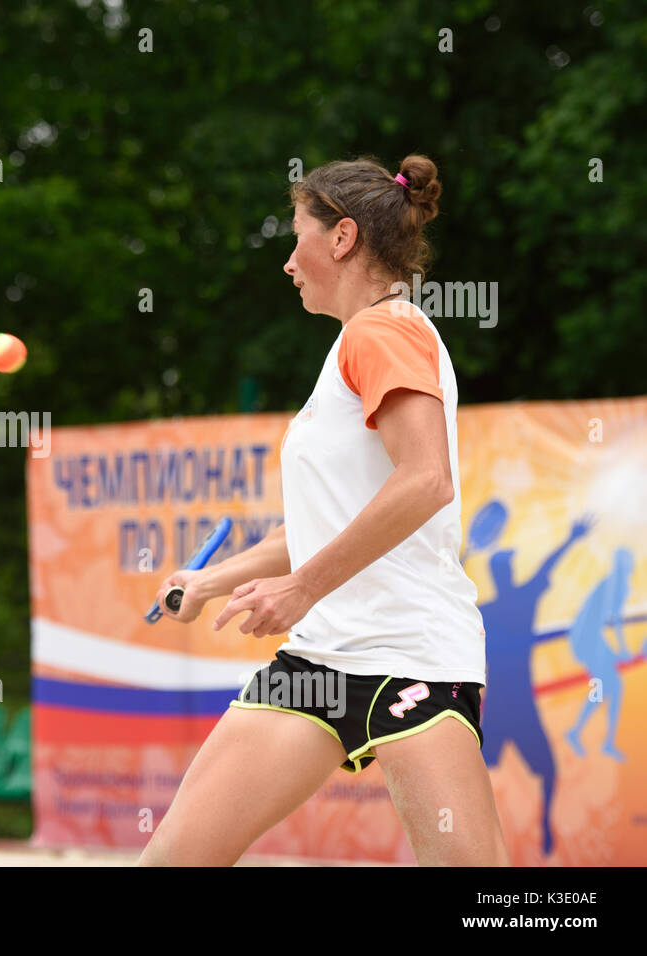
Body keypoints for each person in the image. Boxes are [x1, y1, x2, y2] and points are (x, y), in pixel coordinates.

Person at [139, 156, 508, 866]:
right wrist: (208, 580)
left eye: (296, 236)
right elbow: (314, 530)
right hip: (316, 666)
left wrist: (303, 587)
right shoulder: (352, 344)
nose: (287, 262)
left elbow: (427, 478)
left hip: (412, 660)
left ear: (342, 239)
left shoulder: (384, 331)